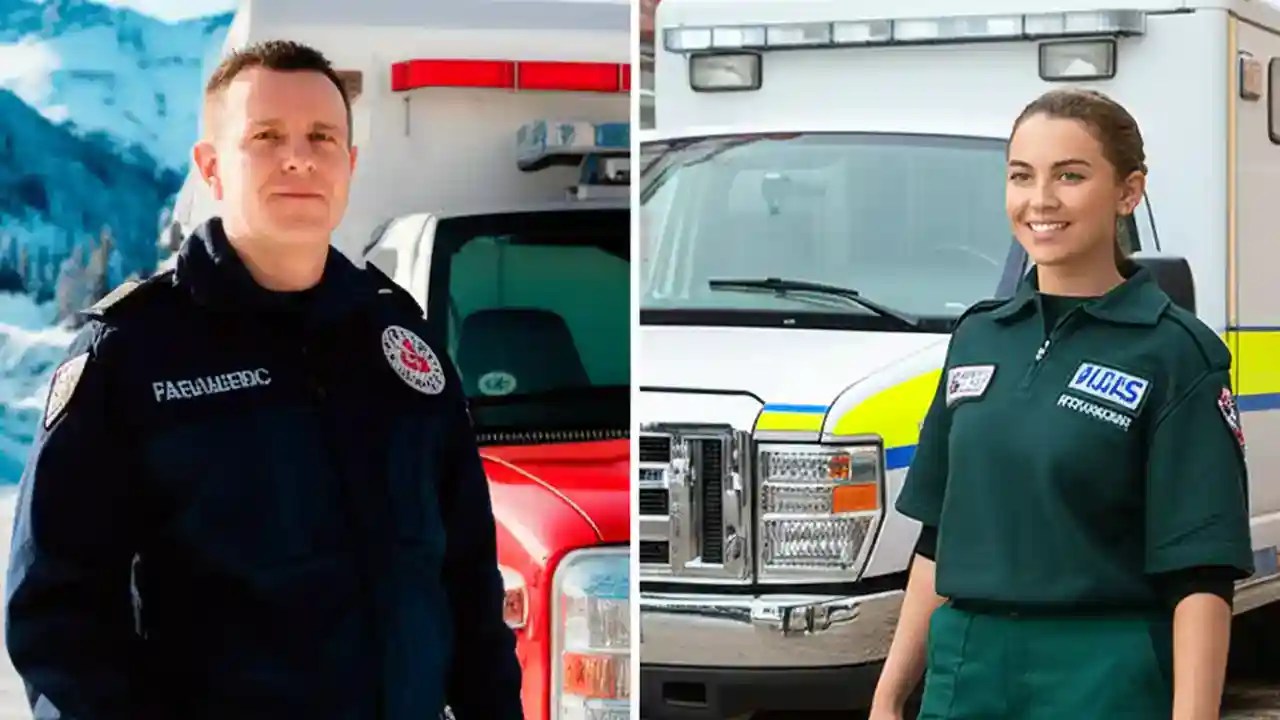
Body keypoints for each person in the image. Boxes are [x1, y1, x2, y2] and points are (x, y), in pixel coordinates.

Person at [4, 40, 523, 720]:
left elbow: (468, 588)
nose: (299, 157)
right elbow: (58, 613)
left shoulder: (402, 348)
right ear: (212, 167)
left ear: (350, 163)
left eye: (321, 137)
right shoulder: (132, 353)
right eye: (266, 136)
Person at [868, 88, 1254, 720]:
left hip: (1102, 679)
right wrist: (888, 696)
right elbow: (938, 539)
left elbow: (1201, 576)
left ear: (1129, 193)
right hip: (967, 675)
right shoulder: (978, 336)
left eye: (1070, 176)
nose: (1040, 200)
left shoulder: (1176, 353)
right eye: (1021, 176)